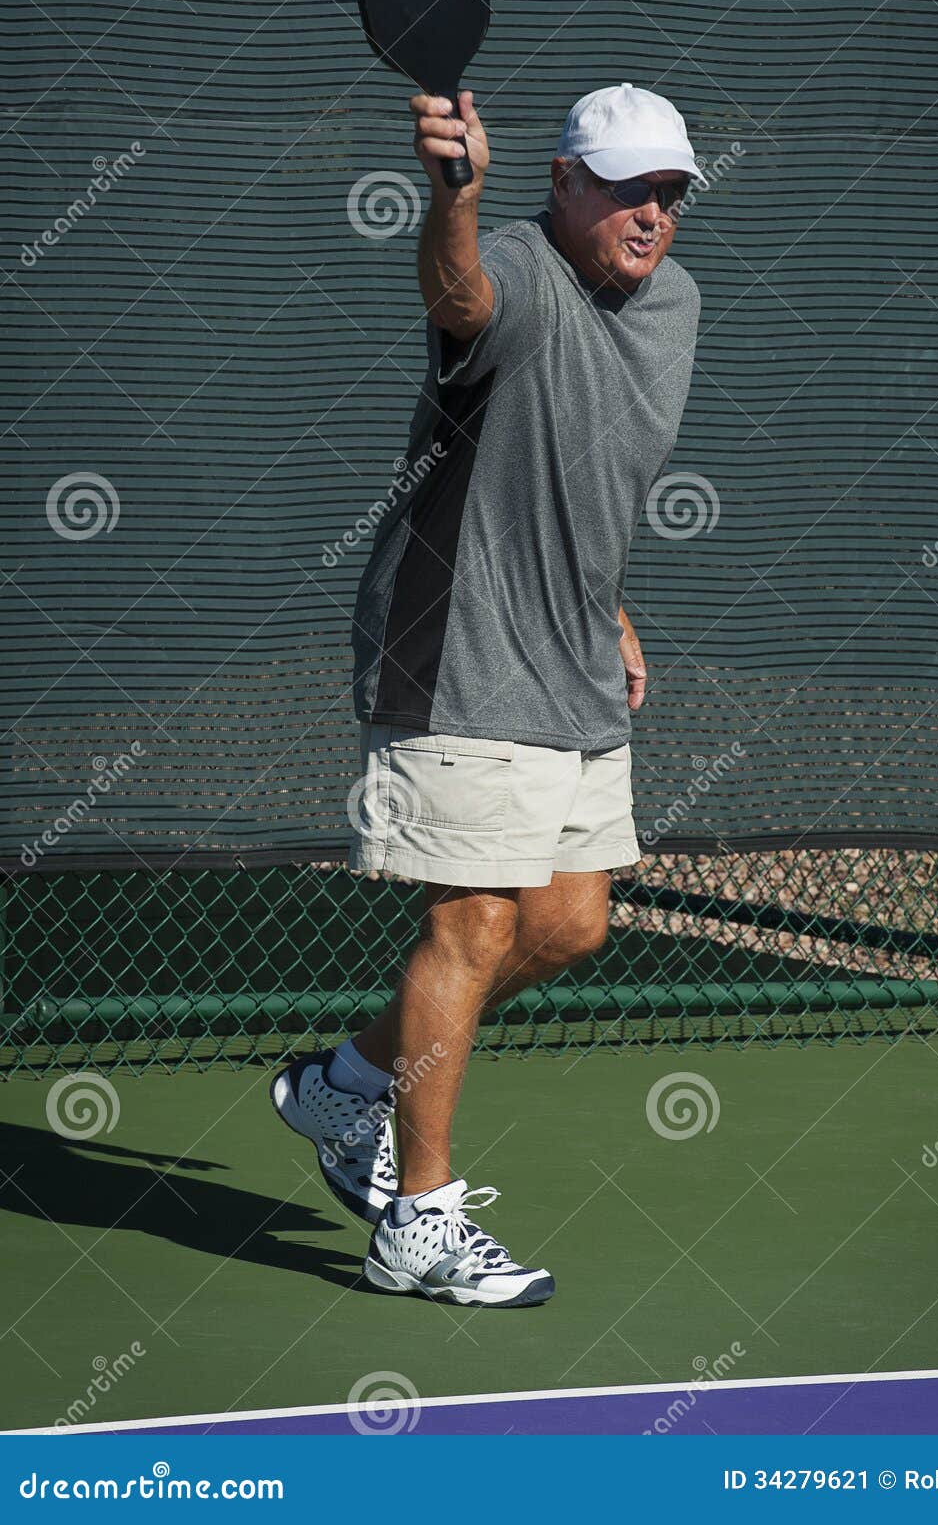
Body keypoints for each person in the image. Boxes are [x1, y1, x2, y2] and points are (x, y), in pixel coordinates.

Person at [273, 82, 703, 1307]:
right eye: (625, 186)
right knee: (471, 927)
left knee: (568, 925)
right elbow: (459, 299)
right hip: (457, 644)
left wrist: (607, 600)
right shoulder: (512, 260)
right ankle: (419, 1221)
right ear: (563, 182)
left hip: (569, 648)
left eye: (668, 191)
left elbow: (584, 476)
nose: (650, 211)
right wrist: (450, 197)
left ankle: (351, 1084)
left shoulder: (671, 305)